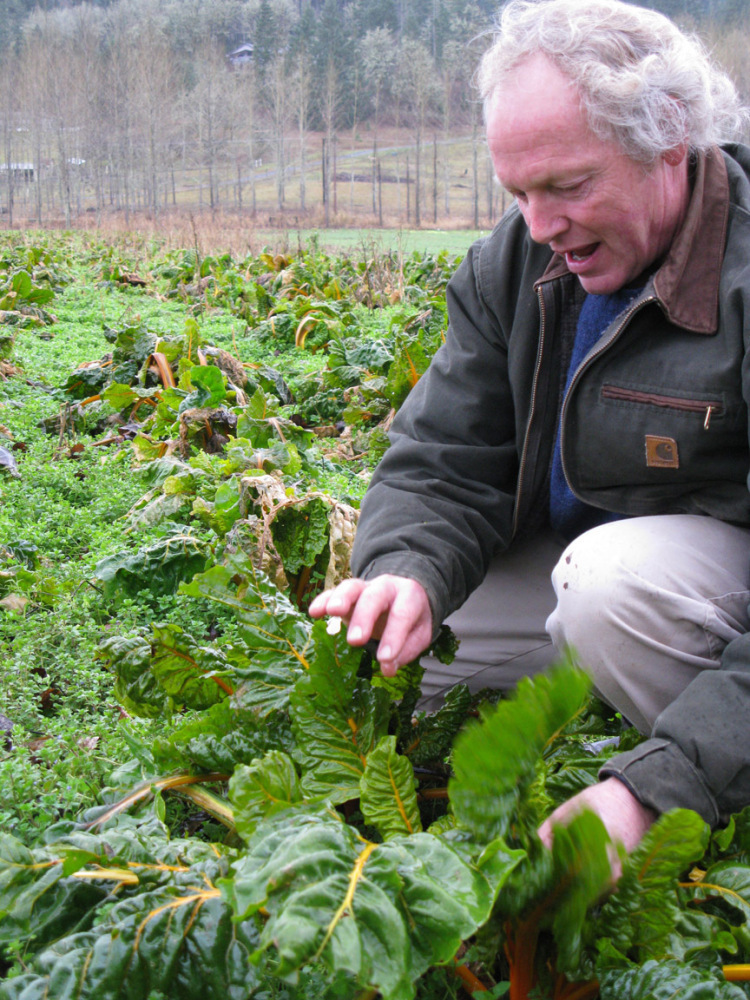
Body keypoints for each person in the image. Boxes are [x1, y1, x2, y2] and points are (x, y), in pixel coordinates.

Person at [310, 0, 750, 859]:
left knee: (606, 589)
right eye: (518, 192)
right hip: (591, 576)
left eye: (570, 186)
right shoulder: (515, 262)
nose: (541, 227)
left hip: (669, 587)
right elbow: (442, 459)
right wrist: (407, 573)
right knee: (397, 652)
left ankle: (702, 784)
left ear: (670, 139)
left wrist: (650, 795)